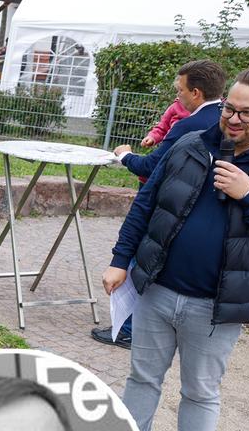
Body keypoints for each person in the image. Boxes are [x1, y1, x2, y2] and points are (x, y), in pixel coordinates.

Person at [102, 68, 249, 431]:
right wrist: (121, 260)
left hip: (218, 307)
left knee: (200, 391)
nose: (234, 119)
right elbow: (146, 202)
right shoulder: (190, 145)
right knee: (142, 378)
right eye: (230, 108)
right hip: (157, 290)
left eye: (247, 113)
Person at [94, 60, 226, 350]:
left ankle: (127, 327)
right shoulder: (224, 117)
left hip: (169, 207)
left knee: (143, 258)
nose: (176, 97)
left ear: (196, 92)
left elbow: (153, 166)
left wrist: (125, 155)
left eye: (180, 91)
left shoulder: (192, 125)